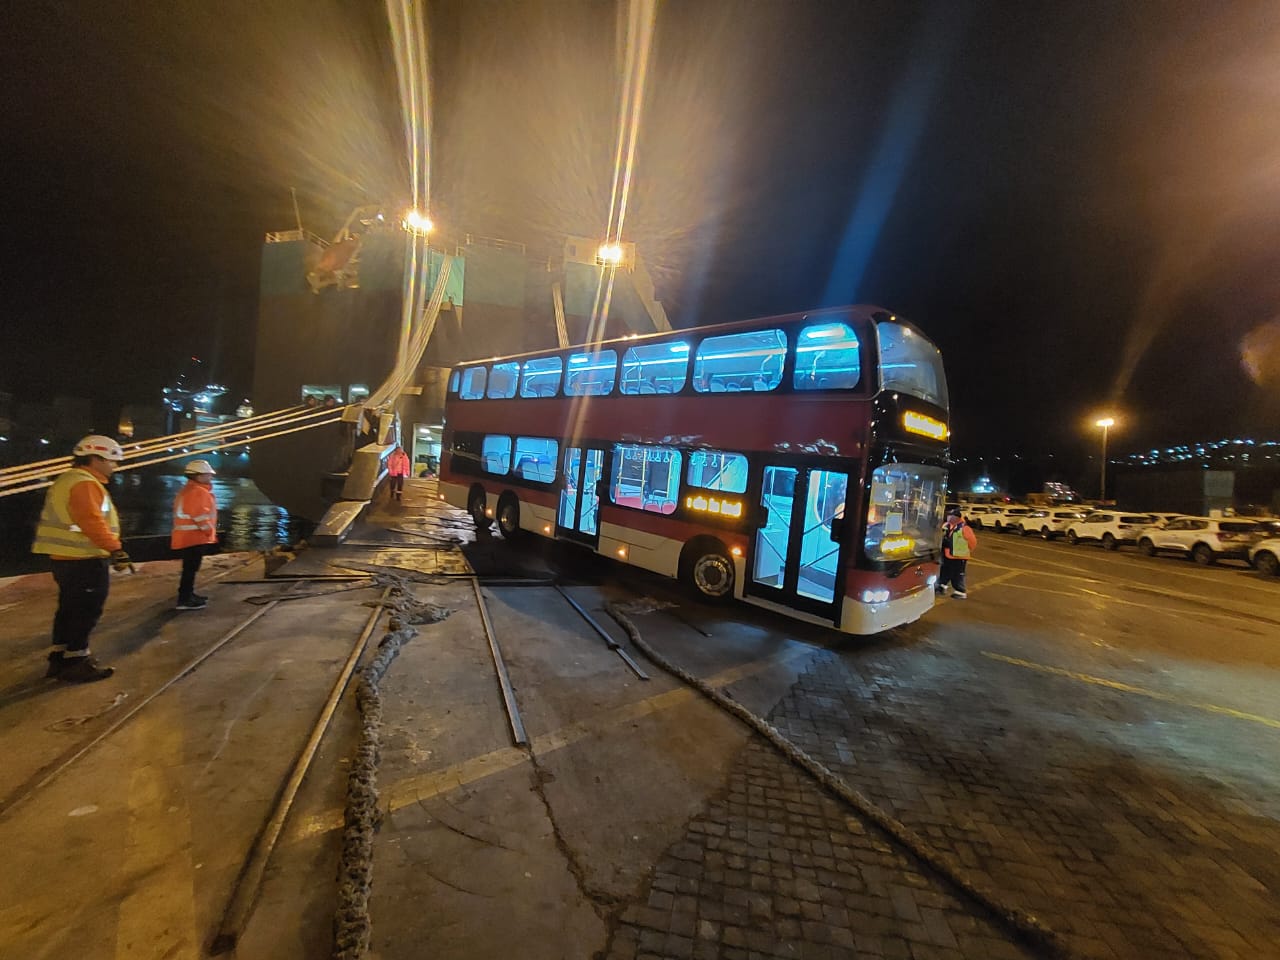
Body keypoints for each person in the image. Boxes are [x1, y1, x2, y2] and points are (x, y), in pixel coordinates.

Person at [31, 435, 132, 683]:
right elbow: (91, 521)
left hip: (65, 558)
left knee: (68, 608)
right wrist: (116, 549)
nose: (114, 466)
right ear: (95, 459)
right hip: (83, 558)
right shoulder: (85, 483)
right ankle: (76, 660)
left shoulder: (67, 480)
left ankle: (59, 658)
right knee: (86, 610)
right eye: (111, 461)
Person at [171, 459, 219, 610]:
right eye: (208, 474)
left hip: (187, 536)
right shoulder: (198, 492)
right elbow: (199, 515)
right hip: (194, 537)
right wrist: (209, 531)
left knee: (190, 569)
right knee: (190, 569)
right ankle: (185, 599)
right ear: (199, 476)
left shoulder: (188, 490)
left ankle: (188, 595)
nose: (210, 477)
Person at [937, 507, 978, 599]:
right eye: (949, 515)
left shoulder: (964, 528)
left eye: (951, 516)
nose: (949, 517)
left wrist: (965, 550)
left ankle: (960, 591)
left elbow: (973, 542)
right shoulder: (945, 525)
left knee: (957, 575)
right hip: (947, 554)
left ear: (957, 517)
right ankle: (941, 586)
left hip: (959, 557)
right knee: (944, 572)